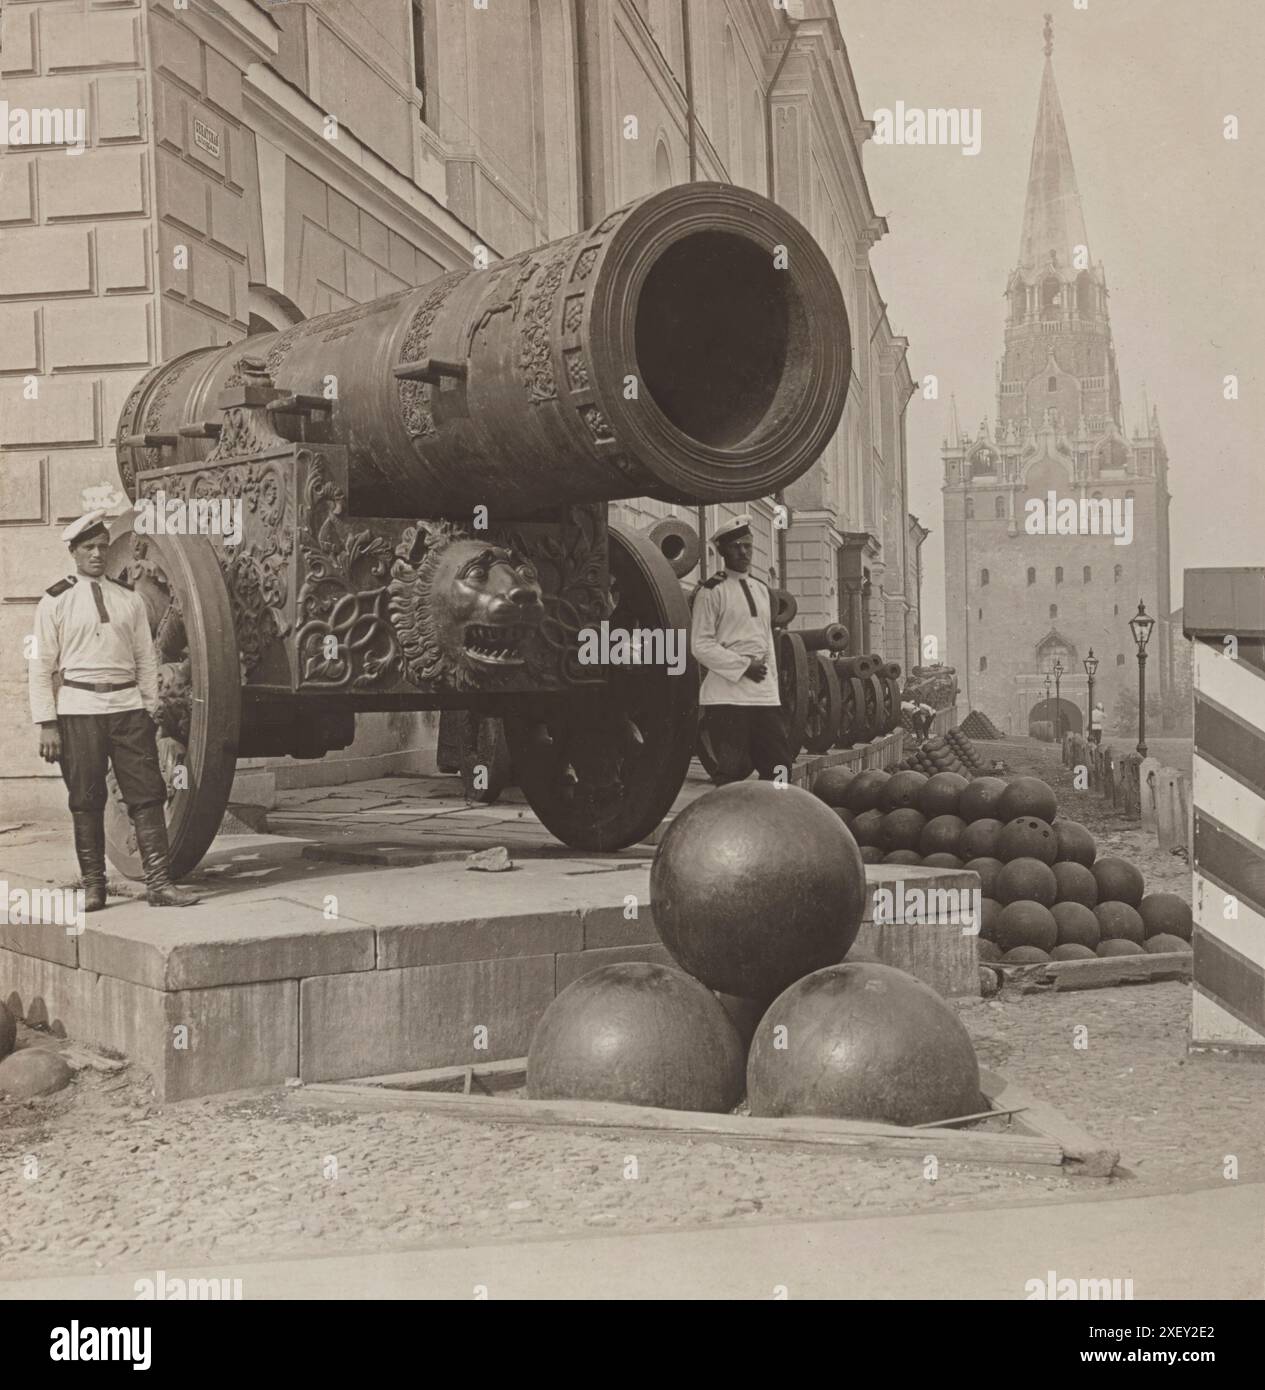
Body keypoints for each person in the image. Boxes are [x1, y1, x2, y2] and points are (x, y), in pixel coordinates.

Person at [28, 511, 201, 909]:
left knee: (147, 795)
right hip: (78, 710)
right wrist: (46, 724)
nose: (97, 554)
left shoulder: (129, 601)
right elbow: (40, 667)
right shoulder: (55, 601)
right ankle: (94, 886)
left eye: (103, 547)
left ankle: (159, 884)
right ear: (73, 551)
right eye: (88, 547)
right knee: (86, 798)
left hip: (127, 711)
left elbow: (146, 659)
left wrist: (149, 708)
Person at [690, 514, 790, 784]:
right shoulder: (711, 592)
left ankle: (779, 818)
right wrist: (744, 666)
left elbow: (766, 642)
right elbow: (700, 644)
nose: (743, 552)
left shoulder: (762, 590)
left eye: (747, 545)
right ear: (722, 551)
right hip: (727, 697)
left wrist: (771, 688)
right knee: (732, 774)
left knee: (780, 770)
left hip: (764, 697)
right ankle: (729, 824)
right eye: (735, 547)